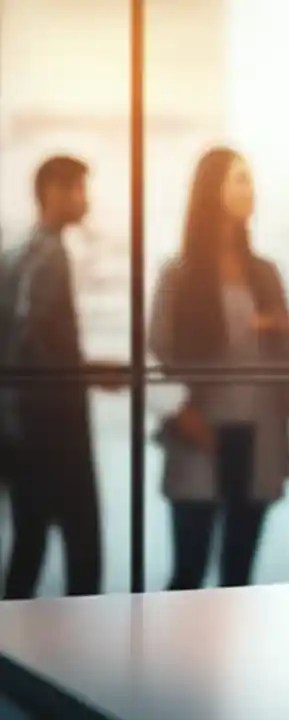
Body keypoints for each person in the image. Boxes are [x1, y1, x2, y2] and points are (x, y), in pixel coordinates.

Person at [149, 147, 289, 590]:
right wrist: (180, 413)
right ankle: (177, 657)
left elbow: (287, 359)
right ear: (211, 189)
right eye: (239, 178)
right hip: (201, 431)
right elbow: (158, 354)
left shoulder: (265, 272)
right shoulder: (178, 274)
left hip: (256, 430)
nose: (249, 189)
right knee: (189, 571)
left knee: (239, 574)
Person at [1, 156, 121, 598]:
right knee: (82, 547)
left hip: (23, 426)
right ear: (54, 190)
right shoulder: (49, 255)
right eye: (78, 189)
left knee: (28, 546)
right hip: (56, 425)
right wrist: (86, 374)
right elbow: (34, 339)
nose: (85, 199)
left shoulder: (15, 255)